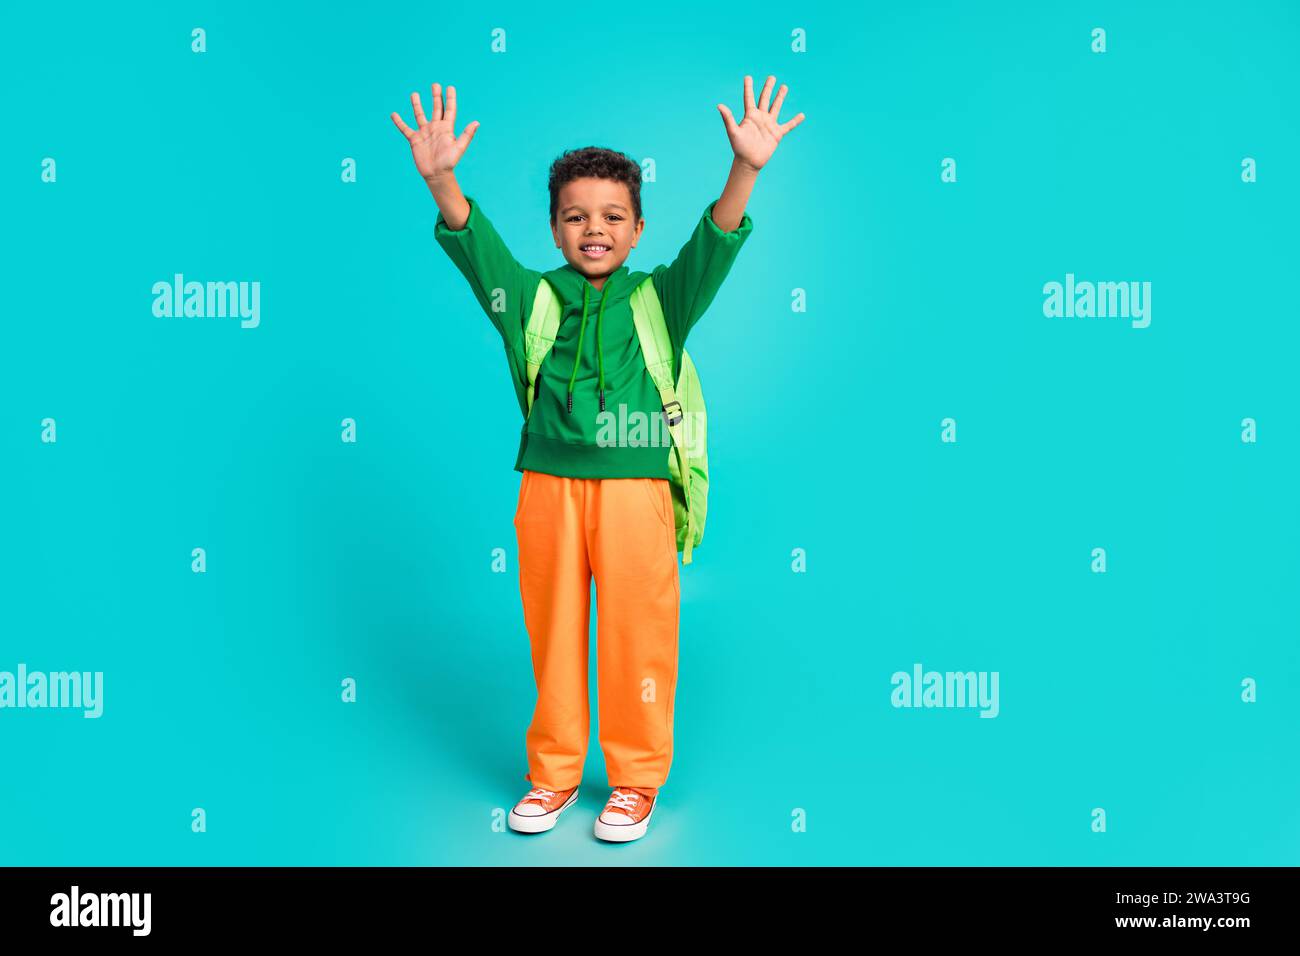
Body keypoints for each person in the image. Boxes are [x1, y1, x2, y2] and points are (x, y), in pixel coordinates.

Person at [391, 76, 804, 842]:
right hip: (547, 488)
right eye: (575, 216)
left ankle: (636, 782)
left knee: (636, 633)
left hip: (635, 493)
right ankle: (552, 775)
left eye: (614, 216)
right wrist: (442, 180)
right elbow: (478, 255)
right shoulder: (532, 301)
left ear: (639, 229)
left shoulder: (660, 301)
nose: (594, 228)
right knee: (552, 632)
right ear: (553, 229)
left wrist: (744, 168)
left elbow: (713, 244)